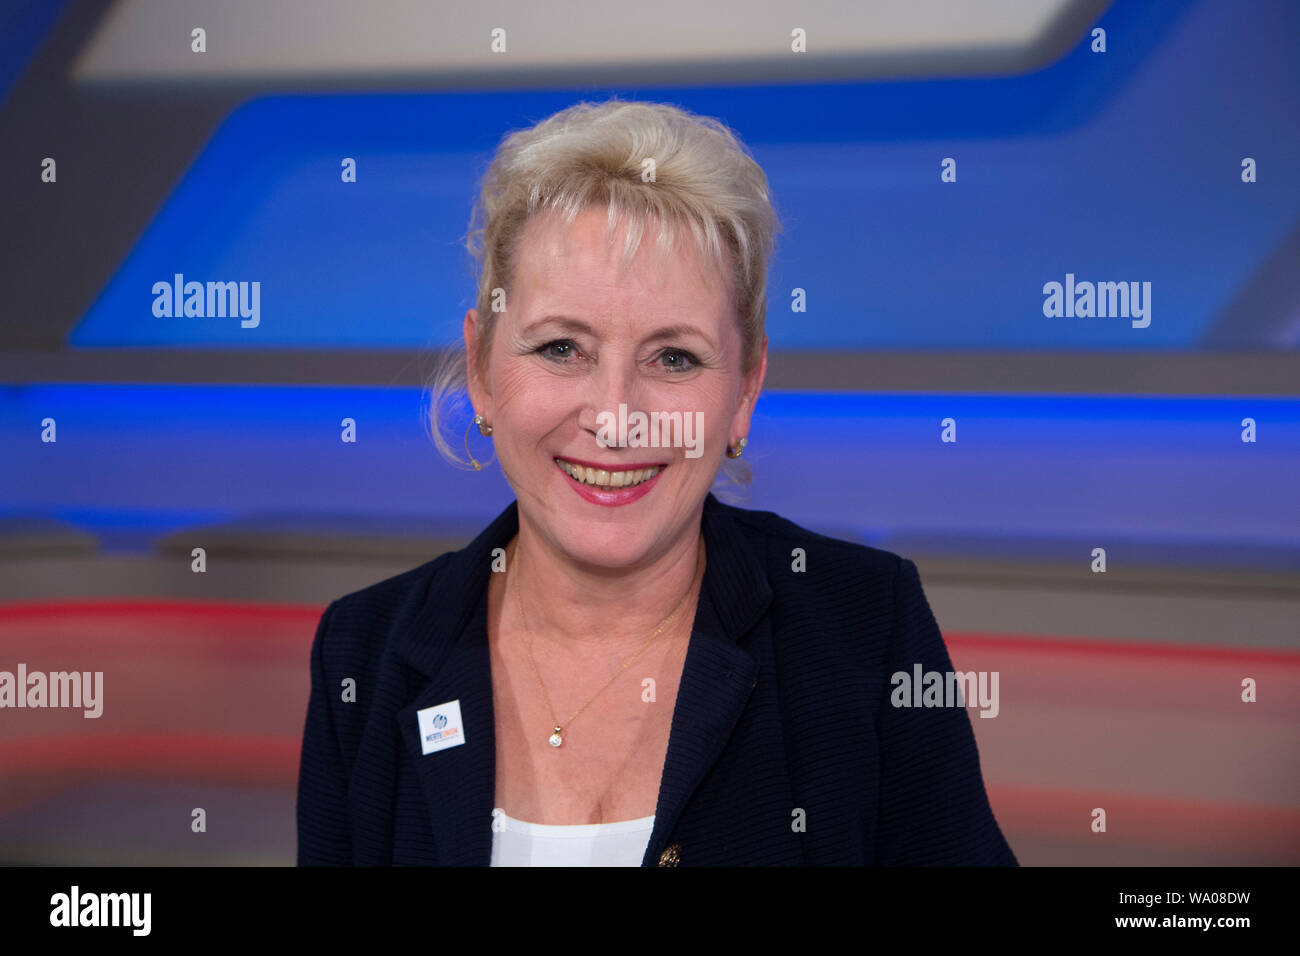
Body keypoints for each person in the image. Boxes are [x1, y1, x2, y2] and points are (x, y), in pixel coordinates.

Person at [297, 97, 1016, 866]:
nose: (616, 418)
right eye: (561, 348)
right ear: (481, 370)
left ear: (745, 387)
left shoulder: (864, 629)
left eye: (674, 358)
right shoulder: (364, 653)